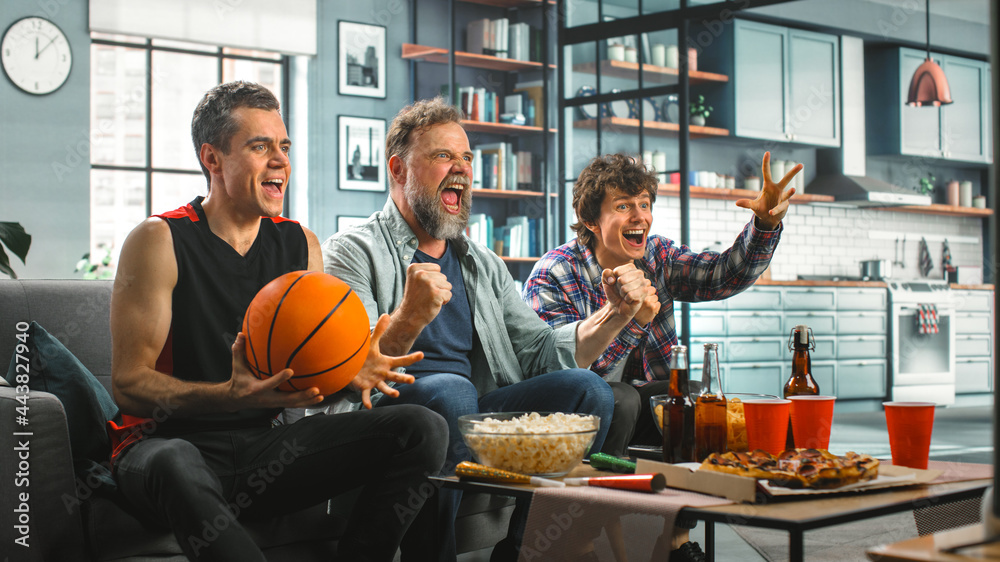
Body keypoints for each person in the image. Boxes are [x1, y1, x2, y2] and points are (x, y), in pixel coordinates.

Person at [110, 81, 448, 562]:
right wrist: (228, 396)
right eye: (259, 146)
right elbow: (127, 384)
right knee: (173, 460)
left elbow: (306, 384)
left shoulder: (301, 245)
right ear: (212, 158)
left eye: (284, 147)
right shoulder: (158, 239)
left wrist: (350, 373)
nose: (280, 161)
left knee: (423, 427)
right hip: (167, 444)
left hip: (262, 452)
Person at [321, 98, 652, 562]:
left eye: (467, 158)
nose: (461, 169)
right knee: (452, 392)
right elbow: (358, 366)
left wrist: (614, 314)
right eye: (443, 156)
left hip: (474, 410)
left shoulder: (481, 263)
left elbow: (539, 350)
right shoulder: (353, 251)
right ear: (399, 169)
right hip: (396, 416)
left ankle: (521, 552)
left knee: (589, 392)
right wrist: (410, 315)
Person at [521, 152, 798, 561]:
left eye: (644, 204)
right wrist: (631, 319)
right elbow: (566, 373)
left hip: (646, 408)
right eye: (623, 206)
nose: (639, 216)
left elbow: (724, 274)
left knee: (695, 399)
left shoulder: (658, 257)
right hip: (589, 411)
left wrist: (765, 224)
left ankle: (674, 541)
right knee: (621, 396)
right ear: (592, 221)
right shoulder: (555, 274)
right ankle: (577, 542)